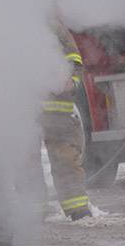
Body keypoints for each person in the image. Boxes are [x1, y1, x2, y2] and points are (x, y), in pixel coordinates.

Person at [38, 14, 93, 220]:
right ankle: (36, 211)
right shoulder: (5, 27)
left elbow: (75, 59)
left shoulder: (54, 26)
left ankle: (77, 208)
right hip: (25, 110)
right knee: (25, 161)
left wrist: (72, 81)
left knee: (66, 158)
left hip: (57, 108)